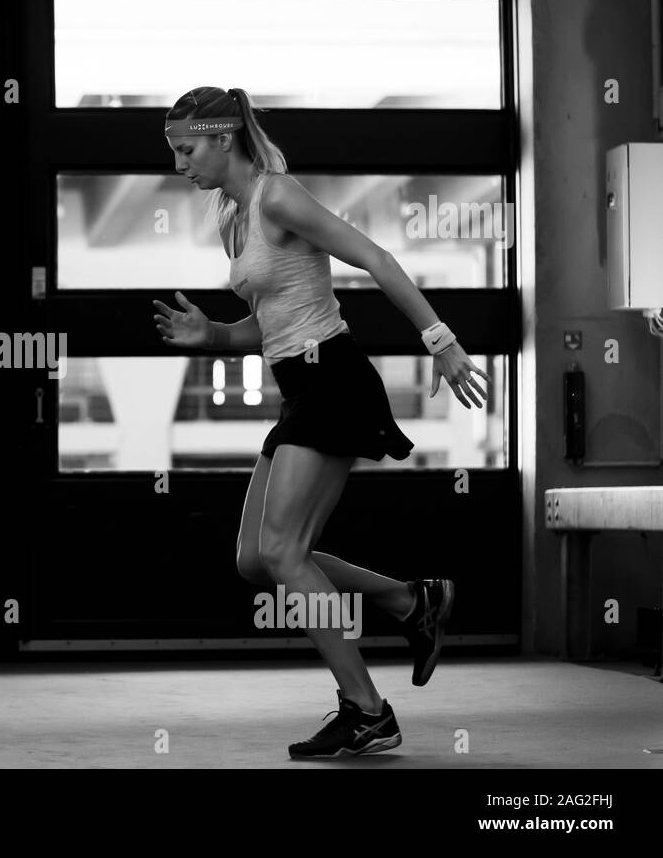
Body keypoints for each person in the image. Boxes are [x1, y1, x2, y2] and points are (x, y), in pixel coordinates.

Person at [151, 87, 490, 759]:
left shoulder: (276, 194)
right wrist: (213, 335)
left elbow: (376, 258)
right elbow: (269, 323)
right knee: (258, 558)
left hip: (333, 380)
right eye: (174, 152)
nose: (181, 164)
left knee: (284, 552)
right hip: (300, 387)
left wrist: (440, 338)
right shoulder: (237, 217)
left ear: (224, 139)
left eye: (187, 149)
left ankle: (367, 708)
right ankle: (408, 600)